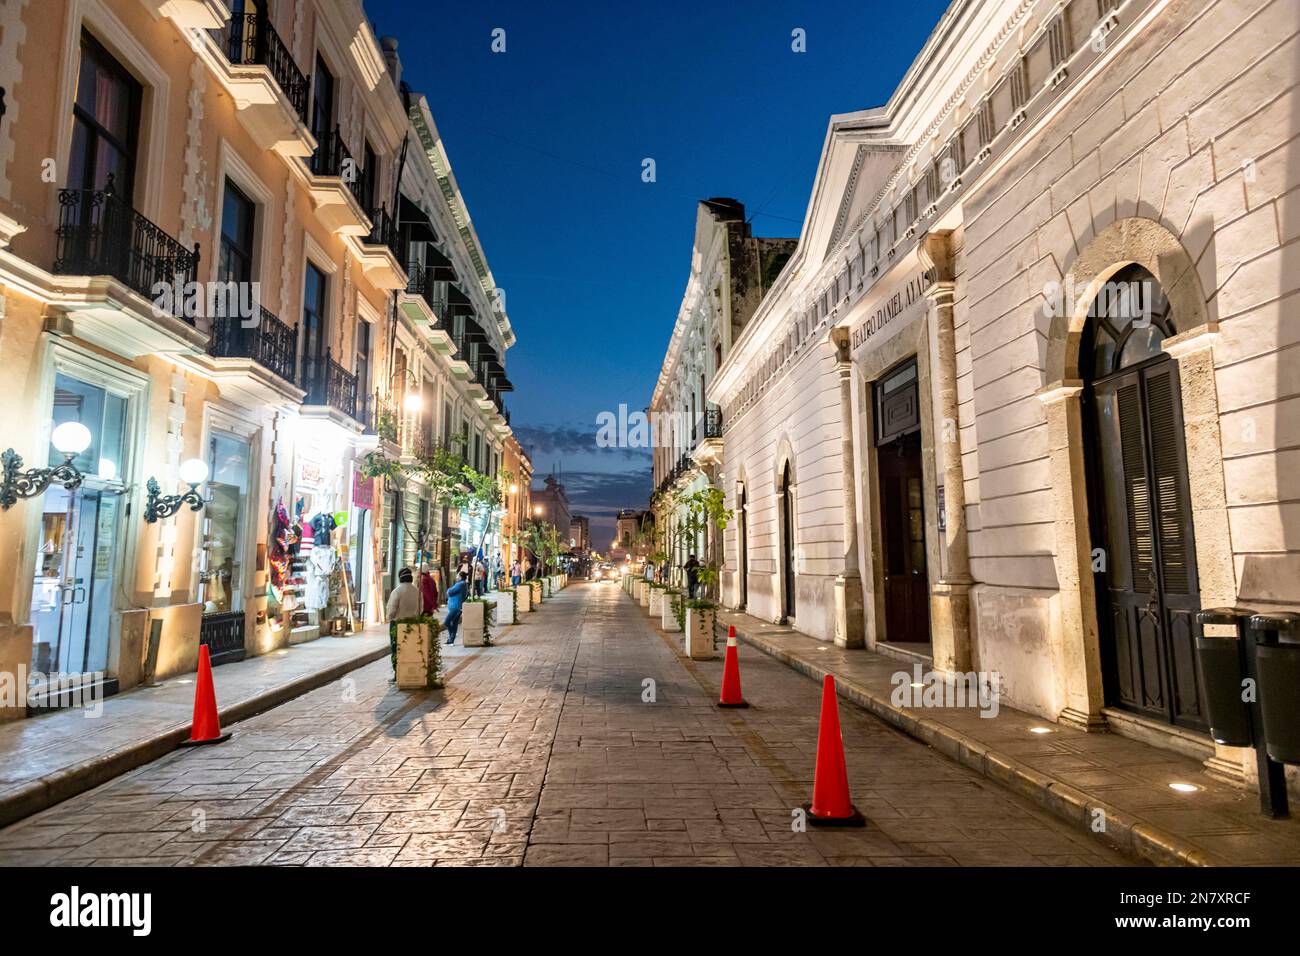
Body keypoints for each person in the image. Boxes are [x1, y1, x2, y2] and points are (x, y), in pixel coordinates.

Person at [385, 567, 424, 676]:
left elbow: (391, 611)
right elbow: (421, 609)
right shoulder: (417, 592)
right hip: (412, 624)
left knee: (396, 648)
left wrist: (390, 617)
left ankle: (397, 673)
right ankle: (408, 672)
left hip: (397, 624)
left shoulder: (397, 591)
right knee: (410, 649)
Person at [444, 571, 469, 645]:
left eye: (457, 576)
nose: (456, 577)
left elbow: (450, 592)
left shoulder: (460, 584)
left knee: (447, 622)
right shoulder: (463, 584)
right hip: (458, 607)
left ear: (461, 577)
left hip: (455, 607)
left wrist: (448, 590)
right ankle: (451, 639)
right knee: (454, 623)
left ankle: (451, 636)